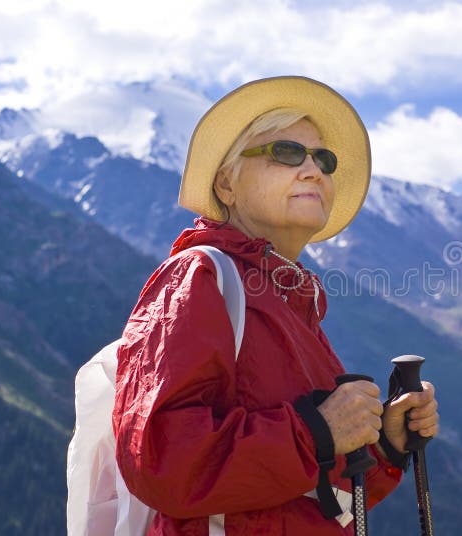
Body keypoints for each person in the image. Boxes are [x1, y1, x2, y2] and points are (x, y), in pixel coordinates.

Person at [112, 76, 439, 535]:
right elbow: (159, 461)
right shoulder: (201, 278)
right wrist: (316, 432)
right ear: (227, 183)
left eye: (323, 159)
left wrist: (385, 442)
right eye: (287, 153)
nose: (314, 171)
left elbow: (320, 496)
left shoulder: (288, 301)